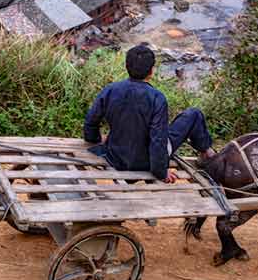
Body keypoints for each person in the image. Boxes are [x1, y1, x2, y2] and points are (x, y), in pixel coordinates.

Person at [84, 44, 216, 182]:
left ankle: (206, 152)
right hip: (145, 163)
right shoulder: (157, 98)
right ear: (151, 71)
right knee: (194, 114)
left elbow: (91, 122)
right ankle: (206, 153)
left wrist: (93, 139)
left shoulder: (110, 90)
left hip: (116, 157)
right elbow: (157, 140)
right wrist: (161, 173)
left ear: (126, 67)